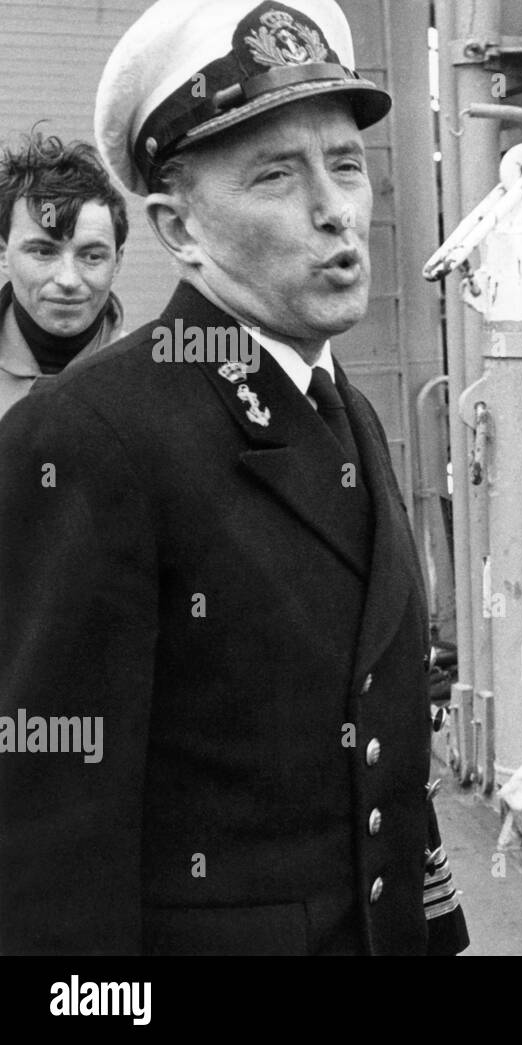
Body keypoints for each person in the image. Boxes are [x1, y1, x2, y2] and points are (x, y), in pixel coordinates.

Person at [0, 0, 467, 956]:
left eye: (344, 164)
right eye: (276, 176)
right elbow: (50, 855)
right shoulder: (90, 438)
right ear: (178, 228)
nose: (335, 207)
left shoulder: (341, 408)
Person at [0, 130, 127, 421]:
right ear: (3, 254)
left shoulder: (153, 379)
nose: (68, 280)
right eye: (44, 252)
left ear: (117, 262)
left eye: (92, 256)